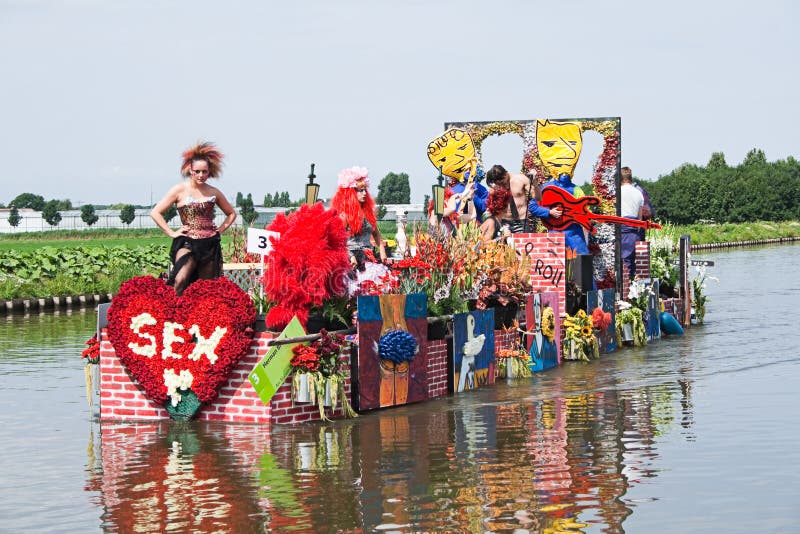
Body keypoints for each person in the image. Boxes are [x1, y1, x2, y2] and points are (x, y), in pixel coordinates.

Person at [150, 141, 237, 296]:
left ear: (209, 171)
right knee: (180, 279)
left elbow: (231, 213)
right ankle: (172, 314)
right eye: (197, 171)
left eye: (204, 171)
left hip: (209, 244)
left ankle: (199, 317)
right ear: (190, 170)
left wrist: (221, 229)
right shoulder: (179, 190)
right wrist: (171, 232)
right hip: (187, 241)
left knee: (205, 288)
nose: (201, 175)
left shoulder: (213, 192)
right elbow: (155, 212)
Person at [330, 166, 388, 291]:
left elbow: (376, 234)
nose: (364, 193)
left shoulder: (368, 213)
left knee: (372, 289)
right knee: (355, 292)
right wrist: (350, 256)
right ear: (351, 193)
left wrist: (382, 250)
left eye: (365, 190)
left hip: (368, 257)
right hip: (351, 260)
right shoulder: (344, 215)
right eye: (360, 190)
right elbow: (338, 241)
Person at [484, 164, 534, 234]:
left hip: (521, 221)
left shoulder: (521, 179)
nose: (501, 185)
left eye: (502, 183)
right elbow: (492, 208)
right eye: (498, 184)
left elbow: (537, 197)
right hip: (504, 222)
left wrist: (535, 182)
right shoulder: (495, 188)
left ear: (505, 175)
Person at [620, 166, 645, 278]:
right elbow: (640, 218)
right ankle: (633, 289)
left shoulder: (618, 192)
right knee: (633, 261)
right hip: (635, 229)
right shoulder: (639, 194)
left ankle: (624, 290)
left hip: (622, 227)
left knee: (624, 261)